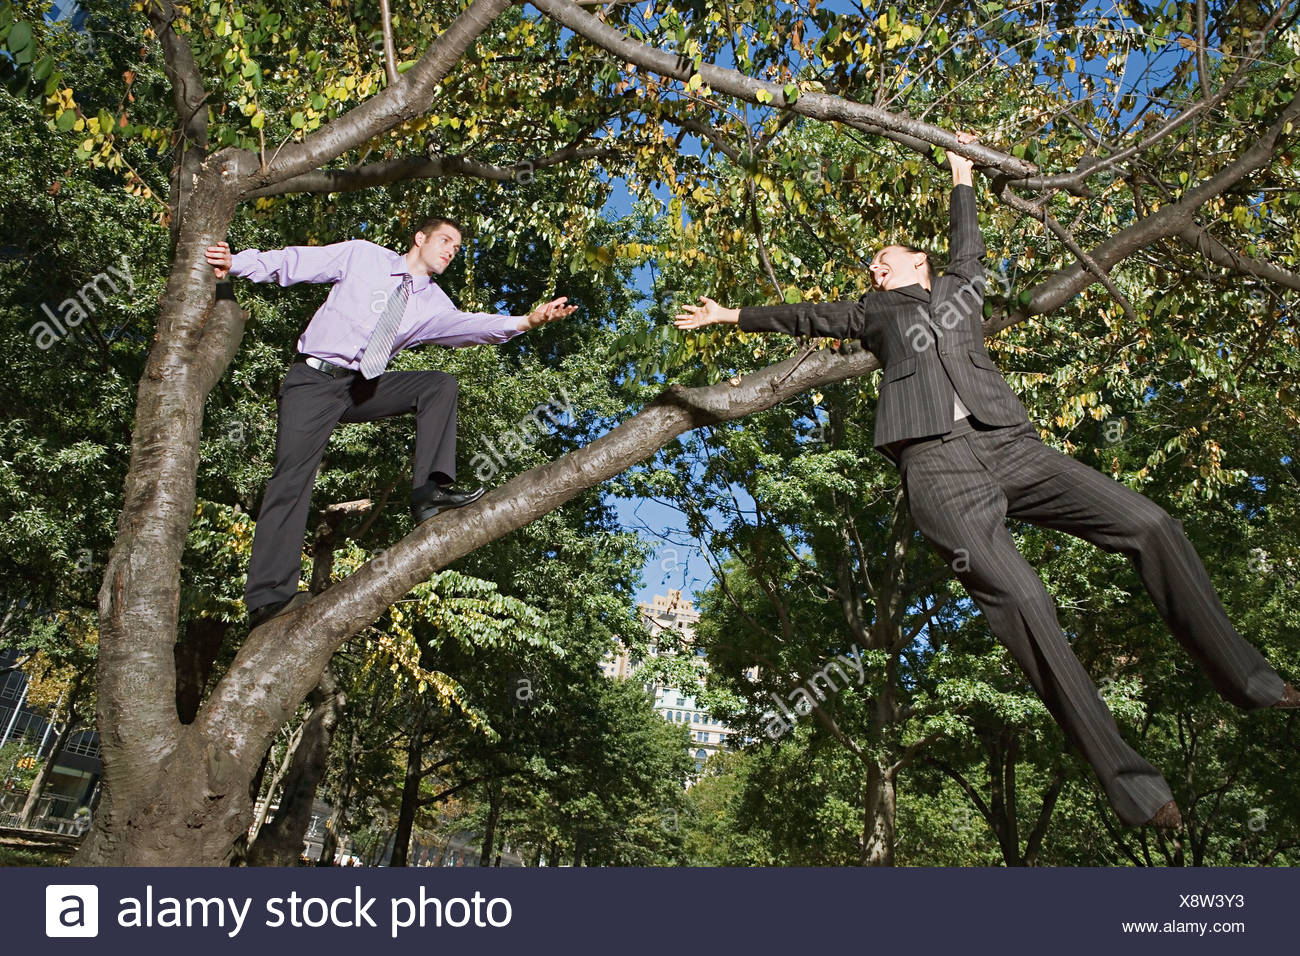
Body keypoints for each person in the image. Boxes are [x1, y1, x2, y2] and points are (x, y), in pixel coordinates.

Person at [673, 133, 1297, 829]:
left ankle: (1250, 679)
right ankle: (1136, 788)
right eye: (871, 266)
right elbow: (808, 315)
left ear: (922, 262)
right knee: (1027, 601)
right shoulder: (872, 314)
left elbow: (966, 245)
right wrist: (732, 315)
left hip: (1012, 447)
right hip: (937, 468)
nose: (873, 267)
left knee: (1152, 524)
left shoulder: (958, 289)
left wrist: (960, 171)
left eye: (885, 257)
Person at [206, 217, 576, 628]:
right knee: (291, 480)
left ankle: (429, 493)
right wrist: (237, 262)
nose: (451, 250)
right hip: (312, 381)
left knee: (439, 385)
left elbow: (473, 326)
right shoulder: (363, 256)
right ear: (420, 238)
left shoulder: (434, 304)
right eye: (445, 240)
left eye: (457, 247)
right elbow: (296, 262)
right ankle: (268, 600)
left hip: (359, 387)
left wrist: (527, 322)